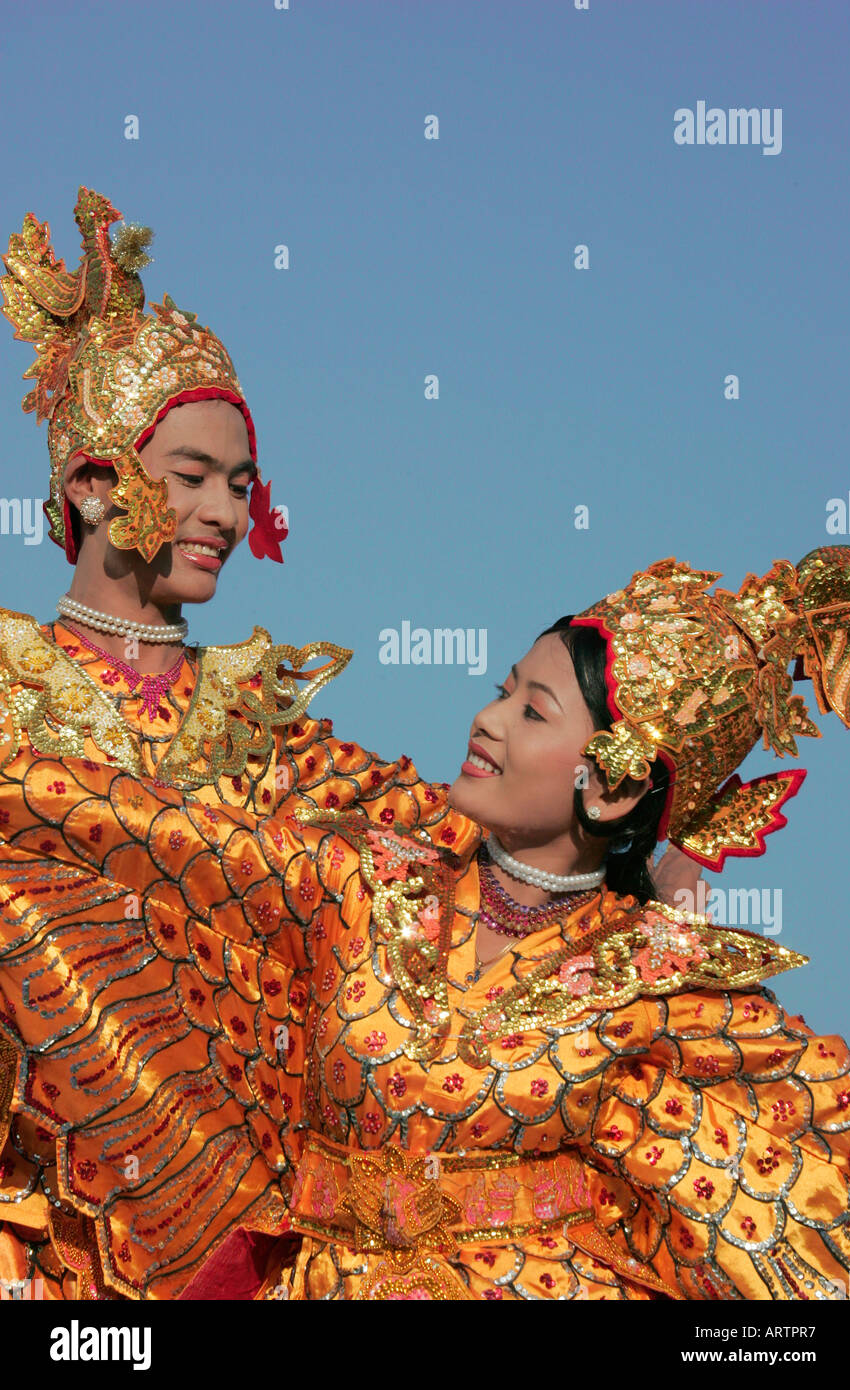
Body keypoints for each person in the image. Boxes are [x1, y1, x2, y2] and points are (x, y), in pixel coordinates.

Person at [2, 545, 850, 1300]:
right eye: (502, 692)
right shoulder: (361, 884)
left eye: (532, 711)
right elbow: (136, 828)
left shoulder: (656, 992)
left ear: (612, 786)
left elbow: (820, 1151)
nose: (485, 721)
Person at [0, 185, 469, 1299]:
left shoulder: (263, 725)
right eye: (193, 477)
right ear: (93, 483)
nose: (222, 509)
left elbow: (435, 837)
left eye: (240, 483)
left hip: (250, 1239)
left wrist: (636, 832)